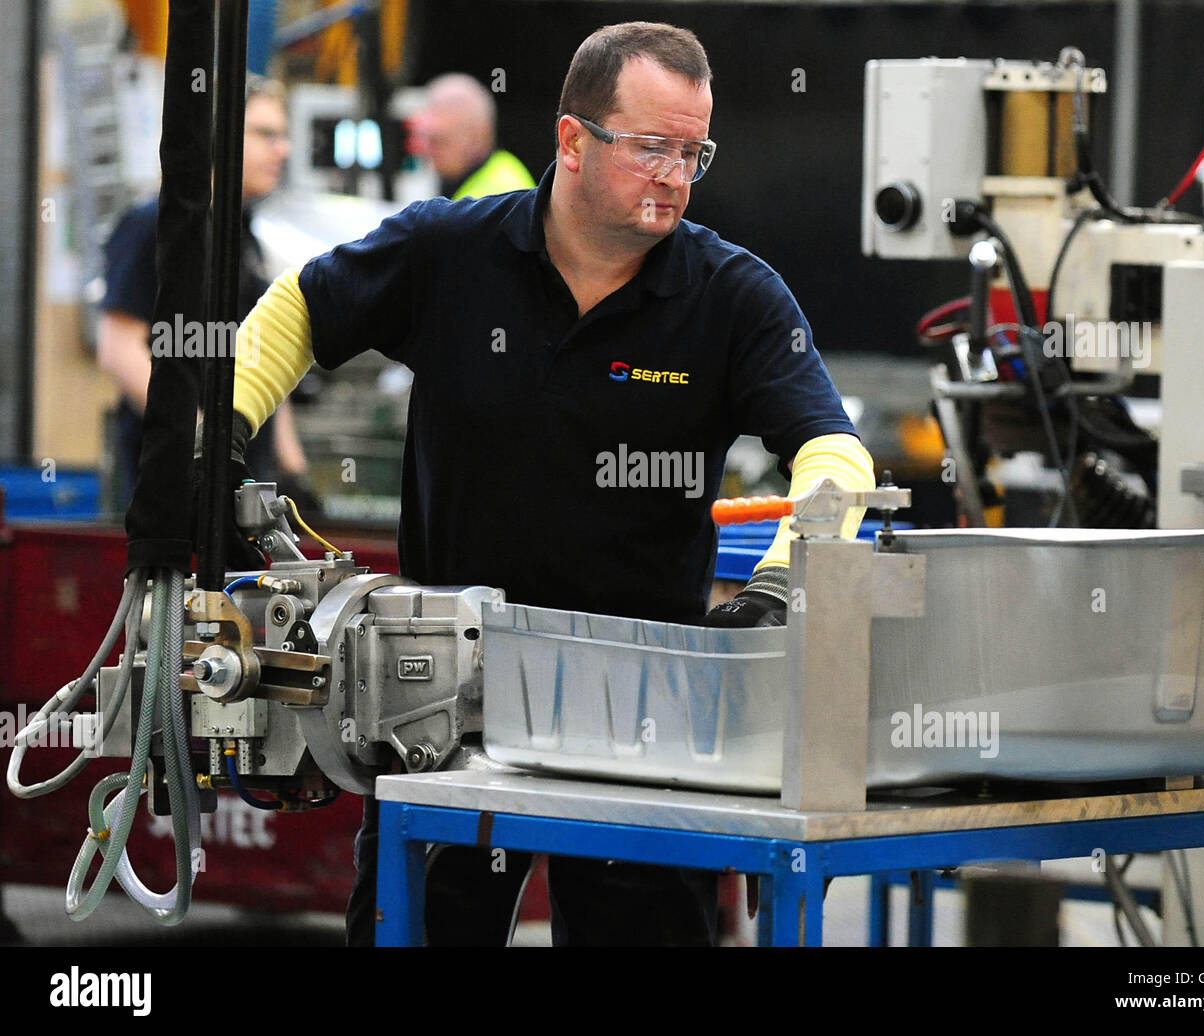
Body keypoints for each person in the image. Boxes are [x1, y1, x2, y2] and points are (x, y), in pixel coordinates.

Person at [227, 22, 874, 946]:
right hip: (440, 702)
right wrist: (215, 443)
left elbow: (836, 455)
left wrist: (776, 589)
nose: (675, 176)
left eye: (693, 154)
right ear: (573, 140)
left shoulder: (732, 297)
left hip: (644, 714)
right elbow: (298, 307)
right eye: (651, 147)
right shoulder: (448, 252)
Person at [98, 75, 310, 512]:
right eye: (266, 134)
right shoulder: (154, 226)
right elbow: (120, 350)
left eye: (284, 136)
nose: (283, 150)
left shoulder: (244, 237)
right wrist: (201, 443)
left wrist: (292, 467)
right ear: (219, 136)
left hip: (241, 483)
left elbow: (263, 353)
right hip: (170, 490)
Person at [408, 72, 535, 199]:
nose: (428, 151)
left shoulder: (495, 195)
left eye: (439, 141)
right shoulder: (497, 170)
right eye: (426, 138)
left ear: (475, 138)